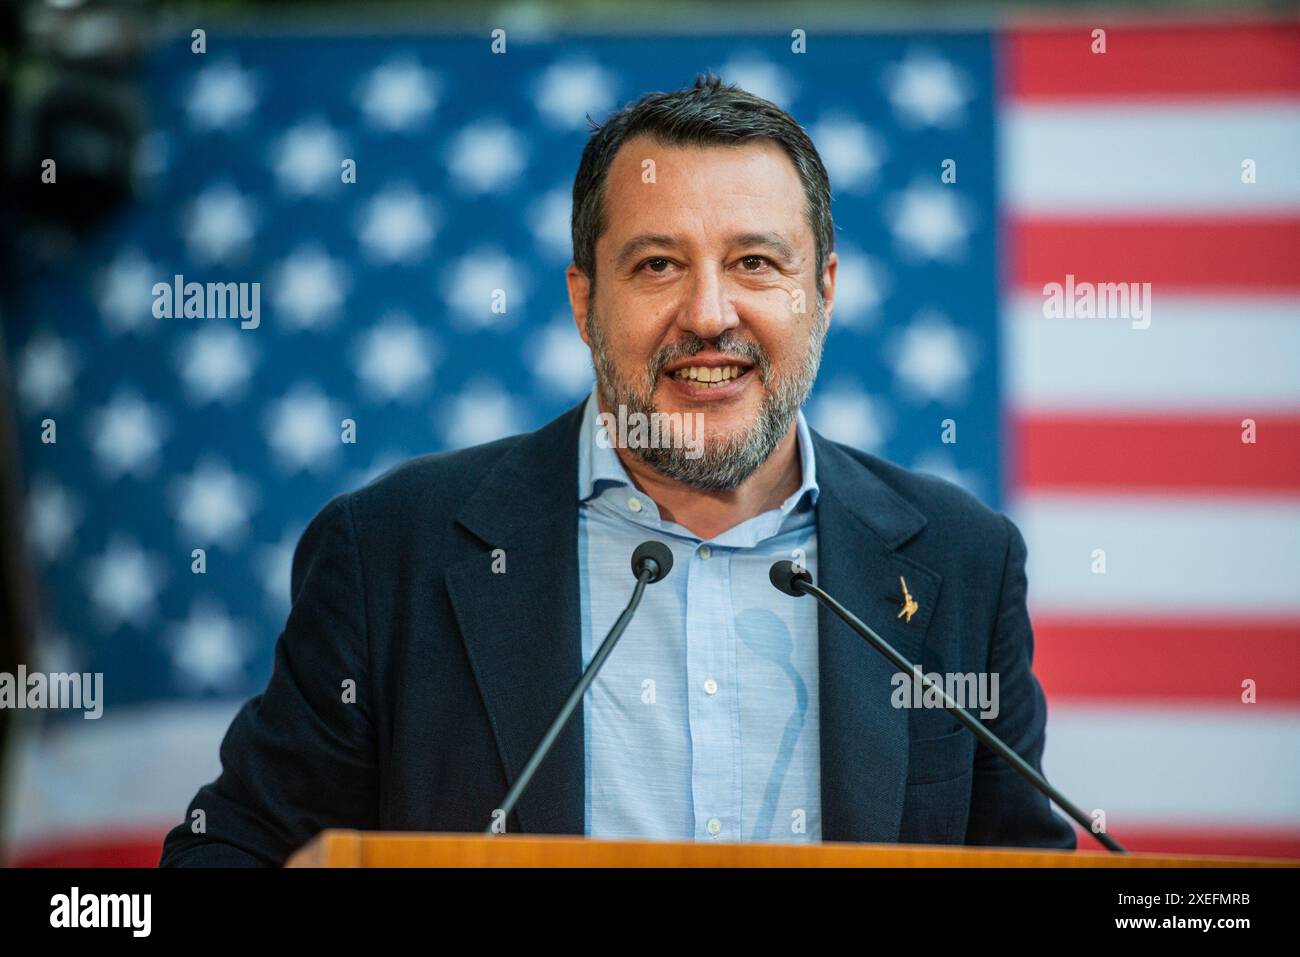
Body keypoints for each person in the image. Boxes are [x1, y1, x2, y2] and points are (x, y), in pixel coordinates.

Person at [161, 74, 1076, 866]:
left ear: (824, 292)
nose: (708, 313)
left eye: (755, 262)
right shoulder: (388, 553)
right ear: (585, 300)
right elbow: (230, 849)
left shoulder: (963, 561)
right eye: (657, 264)